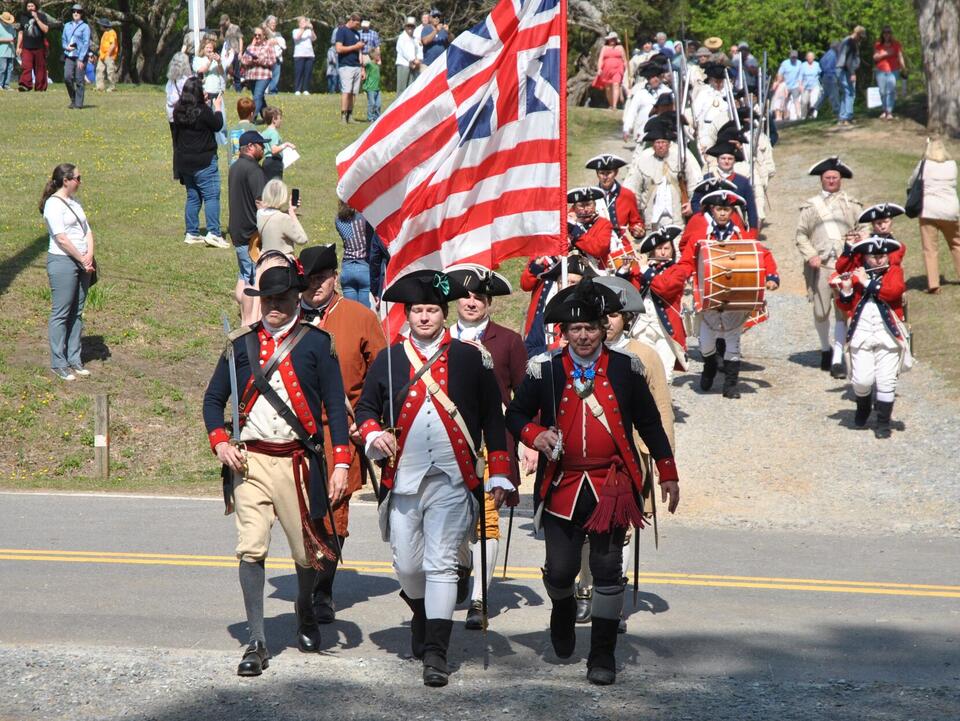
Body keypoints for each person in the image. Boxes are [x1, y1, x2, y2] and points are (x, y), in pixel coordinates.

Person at [505, 279, 679, 685]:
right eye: (574, 329)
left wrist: (667, 471)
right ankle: (562, 609)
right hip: (561, 484)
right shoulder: (543, 369)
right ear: (563, 332)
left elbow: (649, 423)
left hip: (612, 483)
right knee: (562, 571)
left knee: (606, 568)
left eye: (591, 328)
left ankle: (602, 655)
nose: (583, 336)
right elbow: (514, 415)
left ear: (604, 329)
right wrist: (535, 435)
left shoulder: (625, 368)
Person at [355, 269, 514, 687]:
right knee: (408, 567)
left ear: (443, 314)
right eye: (417, 311)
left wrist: (499, 470)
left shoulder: (468, 357)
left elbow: (492, 422)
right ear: (407, 315)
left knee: (440, 562)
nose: (424, 317)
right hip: (404, 478)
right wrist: (372, 433)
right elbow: (366, 410)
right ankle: (422, 614)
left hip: (453, 477)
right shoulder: (389, 359)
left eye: (431, 310)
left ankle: (437, 653)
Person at [202, 262, 352, 676]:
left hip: (297, 461)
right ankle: (257, 640)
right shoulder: (240, 345)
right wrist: (219, 442)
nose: (273, 307)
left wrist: (340, 461)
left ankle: (305, 609)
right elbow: (213, 401)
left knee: (306, 553)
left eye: (281, 300)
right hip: (250, 462)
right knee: (251, 546)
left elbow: (335, 408)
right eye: (267, 300)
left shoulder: (318, 344)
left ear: (296, 300)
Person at [297, 244, 388, 624]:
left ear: (335, 277)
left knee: (335, 511)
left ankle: (322, 590)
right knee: (302, 510)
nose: (315, 286)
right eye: (308, 281)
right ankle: (307, 578)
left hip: (342, 430)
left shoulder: (360, 317)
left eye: (321, 278)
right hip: (297, 431)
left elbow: (382, 375)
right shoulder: (290, 319)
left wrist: (365, 420)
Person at [444, 264, 527, 630]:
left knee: (488, 521)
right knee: (451, 520)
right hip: (449, 442)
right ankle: (462, 564)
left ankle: (480, 598)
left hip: (492, 442)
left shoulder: (508, 341)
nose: (472, 302)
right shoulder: (440, 339)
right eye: (466, 295)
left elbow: (524, 398)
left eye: (479, 297)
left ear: (490, 303)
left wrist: (527, 442)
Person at [695, 191, 779, 398]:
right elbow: (689, 259)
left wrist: (772, 276)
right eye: (719, 209)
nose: (723, 214)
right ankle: (709, 366)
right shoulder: (702, 236)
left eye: (727, 210)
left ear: (732, 211)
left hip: (735, 296)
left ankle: (730, 386)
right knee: (706, 342)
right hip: (710, 296)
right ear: (712, 211)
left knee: (733, 341)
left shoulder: (743, 236)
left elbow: (763, 254)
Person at [833, 237, 908, 438]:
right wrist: (847, 289)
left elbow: (894, 292)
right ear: (866, 257)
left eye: (882, 256)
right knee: (861, 380)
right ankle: (863, 407)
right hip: (862, 334)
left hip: (888, 336)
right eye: (874, 257)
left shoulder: (894, 272)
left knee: (886, 381)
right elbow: (846, 306)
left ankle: (883, 423)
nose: (878, 261)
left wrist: (867, 283)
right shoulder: (858, 273)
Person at [795, 156, 862, 373]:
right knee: (821, 311)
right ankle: (825, 348)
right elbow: (801, 235)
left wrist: (859, 241)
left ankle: (837, 358)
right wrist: (811, 255)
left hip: (845, 267)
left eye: (835, 177)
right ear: (821, 180)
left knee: (843, 312)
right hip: (821, 267)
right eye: (827, 177)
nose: (831, 180)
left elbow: (864, 228)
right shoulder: (811, 207)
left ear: (841, 179)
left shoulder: (852, 206)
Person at [40, 163, 95, 381]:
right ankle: (58, 362)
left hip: (83, 263)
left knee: (77, 312)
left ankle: (74, 359)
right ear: (66, 180)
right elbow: (61, 238)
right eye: (78, 178)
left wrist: (89, 255)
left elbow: (86, 229)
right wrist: (82, 259)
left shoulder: (75, 202)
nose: (80, 182)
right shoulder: (53, 205)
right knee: (61, 312)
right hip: (64, 262)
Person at [624, 226, 692, 382]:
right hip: (642, 327)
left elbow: (665, 289)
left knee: (664, 374)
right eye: (659, 248)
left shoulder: (677, 271)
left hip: (666, 331)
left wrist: (645, 269)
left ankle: (662, 406)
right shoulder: (641, 270)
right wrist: (625, 269)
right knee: (643, 372)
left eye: (666, 248)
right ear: (652, 252)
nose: (663, 252)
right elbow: (627, 291)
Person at [173, 77, 226, 249]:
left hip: (185, 162)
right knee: (211, 196)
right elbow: (217, 125)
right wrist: (217, 108)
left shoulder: (178, 111)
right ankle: (214, 233)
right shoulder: (203, 111)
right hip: (204, 160)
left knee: (193, 197)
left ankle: (192, 232)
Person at [624, 121, 701, 231]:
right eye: (657, 142)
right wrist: (637, 213)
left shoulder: (681, 159)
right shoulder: (643, 160)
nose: (660, 146)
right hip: (651, 217)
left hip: (677, 217)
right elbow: (634, 189)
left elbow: (693, 184)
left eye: (663, 142)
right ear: (653, 144)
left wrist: (691, 205)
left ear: (669, 144)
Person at [910, 139, 960, 294]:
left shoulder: (924, 165)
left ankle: (933, 284)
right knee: (956, 244)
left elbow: (911, 181)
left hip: (928, 210)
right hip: (950, 210)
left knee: (930, 248)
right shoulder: (952, 165)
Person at [228, 130, 268, 325]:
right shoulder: (254, 170)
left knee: (244, 276)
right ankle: (249, 322)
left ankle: (244, 314)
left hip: (237, 233)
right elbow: (261, 202)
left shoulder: (235, 167)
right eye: (261, 145)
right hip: (252, 237)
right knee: (254, 282)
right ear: (251, 147)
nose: (264, 148)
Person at [521, 254, 594, 357]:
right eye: (562, 282)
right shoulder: (543, 319)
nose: (566, 286)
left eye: (573, 282)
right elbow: (527, 353)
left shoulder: (594, 317)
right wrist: (552, 347)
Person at [691, 141, 758, 230]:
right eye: (723, 158)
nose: (726, 161)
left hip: (736, 226)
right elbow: (695, 202)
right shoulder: (707, 179)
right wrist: (704, 218)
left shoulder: (743, 182)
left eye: (730, 159)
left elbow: (751, 208)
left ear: (734, 160)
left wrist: (753, 230)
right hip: (709, 226)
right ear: (718, 159)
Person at [586, 154, 643, 243]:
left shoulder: (627, 195)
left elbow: (635, 222)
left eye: (609, 173)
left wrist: (638, 230)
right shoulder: (590, 195)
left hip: (620, 245)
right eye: (602, 173)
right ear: (597, 174)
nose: (605, 177)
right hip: (595, 244)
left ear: (616, 172)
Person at [334, 201, 378, 307]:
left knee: (351, 312)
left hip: (347, 268)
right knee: (365, 312)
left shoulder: (338, 220)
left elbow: (350, 236)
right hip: (365, 266)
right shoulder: (365, 218)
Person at [567, 187, 617, 268]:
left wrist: (575, 230)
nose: (586, 210)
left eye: (589, 205)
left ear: (595, 205)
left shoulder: (604, 224)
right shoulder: (567, 224)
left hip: (597, 271)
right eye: (581, 206)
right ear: (574, 208)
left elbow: (598, 249)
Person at [622, 61, 669, 143]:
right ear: (648, 79)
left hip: (662, 135)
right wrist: (627, 128)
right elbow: (632, 112)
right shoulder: (641, 93)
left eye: (657, 77)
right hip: (642, 133)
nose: (655, 80)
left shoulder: (668, 92)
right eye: (652, 77)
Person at [257, 179, 308, 255]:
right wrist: (291, 213)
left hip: (265, 261)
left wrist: (289, 211)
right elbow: (302, 239)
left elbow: (274, 219)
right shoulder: (283, 218)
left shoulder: (259, 213)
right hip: (282, 262)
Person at [194, 37, 227, 145]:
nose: (209, 50)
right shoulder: (198, 60)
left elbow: (222, 73)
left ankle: (222, 141)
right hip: (205, 93)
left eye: (211, 48)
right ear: (203, 49)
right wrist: (210, 61)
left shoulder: (217, 60)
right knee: (206, 118)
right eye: (207, 47)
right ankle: (206, 139)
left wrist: (219, 62)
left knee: (221, 117)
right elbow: (200, 71)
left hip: (217, 92)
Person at [165, 52, 192, 180]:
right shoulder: (185, 80)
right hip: (183, 115)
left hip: (172, 115)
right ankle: (185, 171)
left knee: (176, 144)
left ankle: (177, 172)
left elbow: (169, 98)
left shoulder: (170, 80)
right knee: (185, 143)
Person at [241, 26, 276, 122]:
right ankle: (268, 118)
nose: (257, 37)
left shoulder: (269, 46)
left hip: (264, 76)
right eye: (255, 35)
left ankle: (251, 118)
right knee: (260, 97)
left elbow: (273, 61)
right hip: (251, 76)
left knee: (257, 96)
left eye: (259, 35)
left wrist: (261, 61)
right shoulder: (250, 47)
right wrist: (251, 61)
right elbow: (243, 60)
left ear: (264, 36)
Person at [335, 13, 364, 123]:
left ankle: (350, 115)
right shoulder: (342, 31)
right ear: (351, 20)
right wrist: (354, 47)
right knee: (346, 91)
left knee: (353, 92)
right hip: (346, 65)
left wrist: (362, 68)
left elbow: (359, 51)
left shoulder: (357, 33)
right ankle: (343, 115)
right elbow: (338, 48)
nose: (358, 26)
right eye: (356, 24)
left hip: (356, 65)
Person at [16, 1, 51, 91]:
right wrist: (18, 46)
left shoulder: (42, 16)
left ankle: (40, 87)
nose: (30, 8)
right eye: (28, 6)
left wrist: (37, 19)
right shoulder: (23, 17)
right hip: (26, 47)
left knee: (40, 68)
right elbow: (20, 32)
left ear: (36, 6)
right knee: (26, 66)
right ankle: (25, 85)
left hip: (39, 46)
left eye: (32, 6)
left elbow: (46, 30)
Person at [62, 4, 90, 110]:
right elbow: (63, 40)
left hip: (80, 56)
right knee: (67, 77)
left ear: (81, 14)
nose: (76, 13)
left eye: (78, 12)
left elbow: (86, 43)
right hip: (69, 55)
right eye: (74, 11)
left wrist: (81, 59)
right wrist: (66, 47)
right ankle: (73, 99)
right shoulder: (67, 26)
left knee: (79, 80)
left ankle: (78, 104)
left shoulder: (85, 27)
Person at [873, 27, 905, 120]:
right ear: (882, 34)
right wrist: (885, 53)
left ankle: (889, 111)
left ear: (891, 34)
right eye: (885, 33)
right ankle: (884, 110)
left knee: (890, 91)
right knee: (882, 91)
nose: (887, 34)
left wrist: (903, 68)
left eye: (889, 33)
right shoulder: (878, 44)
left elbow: (900, 56)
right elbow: (875, 57)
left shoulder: (896, 44)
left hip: (893, 70)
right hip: (880, 70)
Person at [836, 25, 865, 127]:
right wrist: (852, 72)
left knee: (845, 93)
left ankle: (842, 117)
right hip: (845, 70)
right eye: (860, 37)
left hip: (842, 69)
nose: (861, 39)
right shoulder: (850, 42)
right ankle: (848, 117)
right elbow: (848, 59)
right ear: (857, 34)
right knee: (850, 93)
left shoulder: (846, 40)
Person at [260, 106, 295, 181]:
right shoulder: (274, 133)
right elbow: (274, 150)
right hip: (274, 163)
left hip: (266, 162)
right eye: (280, 118)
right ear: (274, 119)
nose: (281, 121)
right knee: (276, 189)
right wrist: (286, 144)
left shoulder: (264, 133)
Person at [595, 32, 627, 111]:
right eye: (611, 39)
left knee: (616, 84)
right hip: (606, 69)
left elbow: (625, 59)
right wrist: (599, 68)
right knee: (608, 87)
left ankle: (615, 106)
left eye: (614, 39)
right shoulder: (604, 48)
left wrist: (626, 68)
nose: (612, 41)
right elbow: (600, 59)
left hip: (618, 69)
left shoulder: (620, 47)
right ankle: (611, 104)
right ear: (608, 40)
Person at [395, 16, 422, 94]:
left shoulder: (415, 39)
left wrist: (418, 60)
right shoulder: (402, 38)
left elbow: (419, 50)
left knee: (410, 90)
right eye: (408, 26)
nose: (410, 28)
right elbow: (405, 52)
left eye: (412, 26)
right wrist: (414, 60)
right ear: (405, 27)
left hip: (413, 66)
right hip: (403, 65)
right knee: (401, 90)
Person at [775, 50, 802, 121]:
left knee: (796, 100)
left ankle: (799, 115)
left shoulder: (799, 63)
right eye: (792, 57)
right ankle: (786, 115)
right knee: (784, 101)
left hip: (795, 85)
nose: (794, 59)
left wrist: (800, 84)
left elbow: (801, 74)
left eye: (795, 57)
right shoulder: (785, 63)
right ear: (790, 57)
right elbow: (780, 73)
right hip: (786, 86)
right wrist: (778, 82)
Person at [219, 14, 244, 92]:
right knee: (224, 70)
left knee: (236, 71)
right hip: (227, 53)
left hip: (235, 51)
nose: (223, 24)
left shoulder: (236, 28)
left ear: (228, 20)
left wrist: (240, 52)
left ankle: (238, 89)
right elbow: (222, 42)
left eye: (224, 23)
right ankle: (222, 88)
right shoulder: (224, 30)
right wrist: (221, 32)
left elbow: (240, 39)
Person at [292, 16, 316, 95]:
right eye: (302, 22)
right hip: (299, 55)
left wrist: (312, 29)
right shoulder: (295, 31)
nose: (304, 23)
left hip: (309, 55)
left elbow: (314, 38)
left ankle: (306, 89)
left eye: (304, 22)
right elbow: (296, 38)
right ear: (298, 24)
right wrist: (302, 28)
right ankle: (297, 89)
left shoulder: (309, 31)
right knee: (299, 73)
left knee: (307, 73)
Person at [229, 96, 257, 164]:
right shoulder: (252, 128)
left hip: (234, 166)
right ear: (252, 114)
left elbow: (230, 151)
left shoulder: (231, 130)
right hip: (248, 166)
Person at [262, 16, 284, 94]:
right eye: (271, 23)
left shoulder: (278, 34)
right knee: (267, 75)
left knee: (276, 76)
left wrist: (276, 41)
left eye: (274, 23)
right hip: (267, 57)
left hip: (277, 57)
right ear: (268, 24)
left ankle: (272, 90)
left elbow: (283, 45)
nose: (273, 24)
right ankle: (267, 89)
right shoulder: (263, 34)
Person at [95, 18, 118, 91]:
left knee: (110, 71)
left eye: (100, 25)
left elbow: (113, 44)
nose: (99, 27)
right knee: (99, 70)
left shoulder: (112, 32)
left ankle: (112, 87)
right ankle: (100, 87)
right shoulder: (105, 33)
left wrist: (108, 54)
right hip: (102, 55)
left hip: (109, 55)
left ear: (104, 26)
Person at [819, 42, 841, 117]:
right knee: (834, 94)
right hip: (830, 76)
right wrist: (832, 73)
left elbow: (821, 62)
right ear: (836, 47)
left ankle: (814, 107)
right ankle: (837, 111)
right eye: (839, 47)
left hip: (825, 76)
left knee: (825, 95)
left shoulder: (827, 54)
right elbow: (829, 67)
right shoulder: (833, 55)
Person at [799, 51, 821, 119]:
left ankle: (813, 116)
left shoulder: (817, 64)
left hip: (815, 85)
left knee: (814, 101)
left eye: (811, 57)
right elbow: (800, 76)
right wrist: (800, 85)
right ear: (806, 58)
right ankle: (803, 116)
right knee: (804, 102)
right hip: (805, 86)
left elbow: (821, 74)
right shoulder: (803, 65)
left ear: (814, 57)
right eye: (809, 57)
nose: (810, 58)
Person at [363, 47, 381, 121]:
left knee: (378, 104)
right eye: (378, 55)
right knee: (372, 103)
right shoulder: (369, 64)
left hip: (377, 88)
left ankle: (377, 117)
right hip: (371, 88)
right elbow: (364, 65)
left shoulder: (377, 65)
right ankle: (370, 118)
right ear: (374, 56)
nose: (379, 57)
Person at [0, 12, 15, 90]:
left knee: (10, 68)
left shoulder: (11, 27)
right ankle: (0, 84)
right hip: (2, 52)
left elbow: (14, 37)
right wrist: (7, 40)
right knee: (2, 68)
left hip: (11, 52)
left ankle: (6, 84)